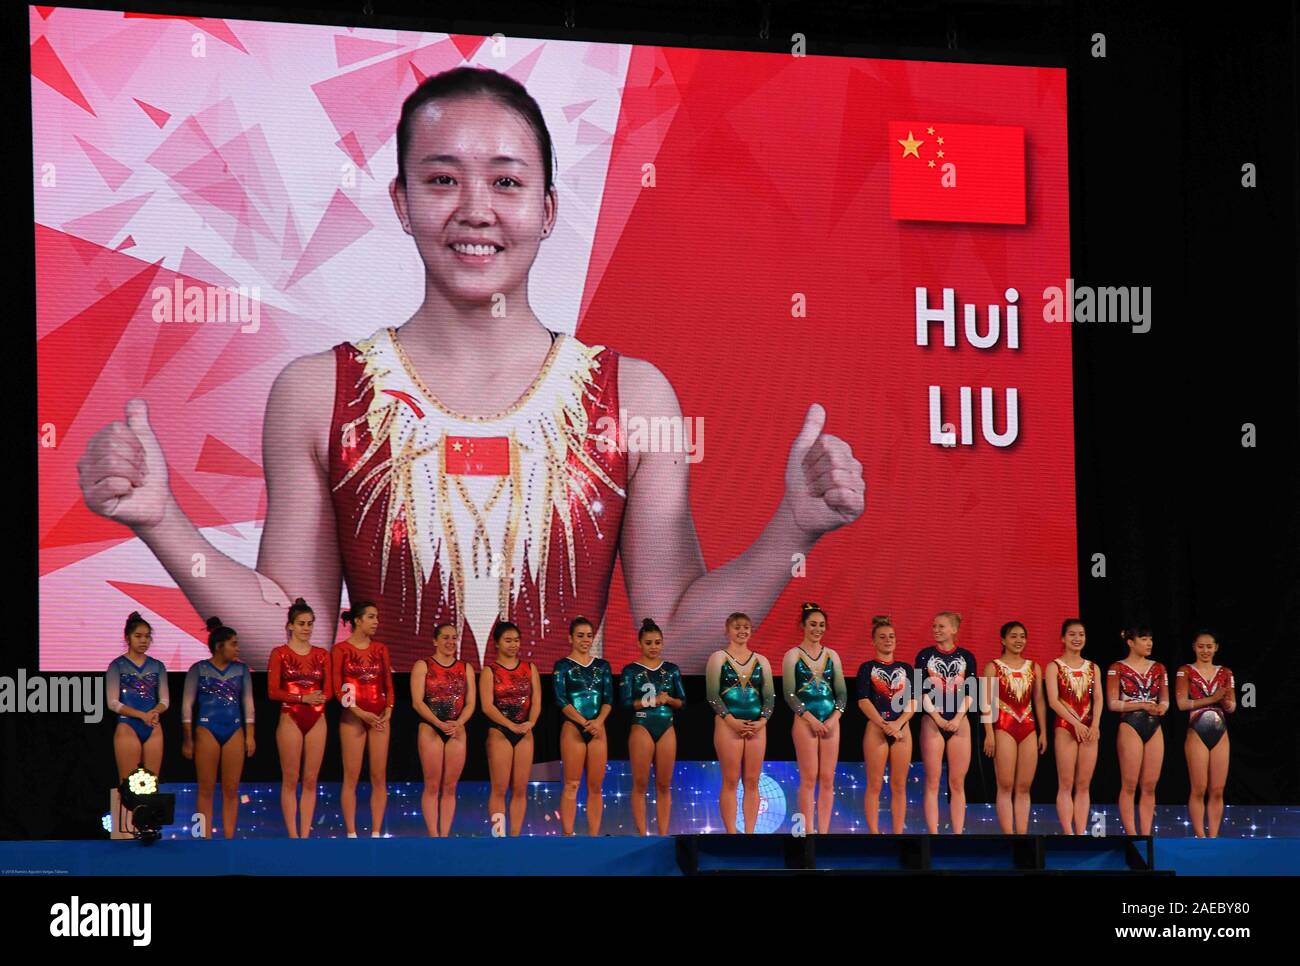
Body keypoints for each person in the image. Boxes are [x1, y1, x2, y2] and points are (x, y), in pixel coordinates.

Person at [76, 66, 866, 671]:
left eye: (507, 181)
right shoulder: (319, 392)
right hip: (382, 809)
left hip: (570, 812)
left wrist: (792, 530)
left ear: (548, 210)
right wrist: (161, 521)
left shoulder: (632, 395)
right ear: (402, 201)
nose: (476, 209)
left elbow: (682, 642)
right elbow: (298, 651)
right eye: (443, 179)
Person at [182, 617, 255, 838]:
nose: (237, 648)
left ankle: (229, 839)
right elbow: (187, 705)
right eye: (233, 644)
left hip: (234, 729)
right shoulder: (198, 669)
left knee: (231, 789)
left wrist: (250, 736)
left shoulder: (241, 671)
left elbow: (248, 704)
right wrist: (188, 739)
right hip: (206, 729)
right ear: (218, 646)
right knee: (206, 788)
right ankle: (204, 838)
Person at [267, 597, 332, 838]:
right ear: (290, 626)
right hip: (290, 716)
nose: (306, 628)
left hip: (317, 717)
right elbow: (273, 691)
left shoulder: (322, 654)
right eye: (302, 623)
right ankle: (293, 835)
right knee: (291, 777)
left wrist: (320, 698)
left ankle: (305, 834)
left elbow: (330, 689)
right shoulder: (280, 654)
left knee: (311, 778)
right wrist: (303, 699)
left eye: (310, 624)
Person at [705, 613, 776, 834]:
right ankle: (731, 834)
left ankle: (750, 832)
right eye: (737, 627)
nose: (742, 631)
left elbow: (769, 697)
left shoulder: (761, 660)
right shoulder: (718, 658)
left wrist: (762, 721)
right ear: (727, 630)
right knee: (731, 779)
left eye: (746, 627)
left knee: (753, 780)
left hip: (757, 727)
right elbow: (712, 695)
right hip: (728, 725)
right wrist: (730, 721)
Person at [782, 602, 847, 834]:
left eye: (821, 625)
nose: (817, 629)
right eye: (812, 624)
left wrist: (833, 719)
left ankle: (825, 831)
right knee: (809, 778)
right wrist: (809, 718)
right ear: (803, 625)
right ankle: (808, 831)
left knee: (828, 778)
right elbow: (789, 693)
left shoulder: (832, 656)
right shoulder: (792, 655)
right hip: (804, 721)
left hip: (831, 721)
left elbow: (841, 692)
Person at [332, 602, 394, 837]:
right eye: (371, 617)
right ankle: (351, 832)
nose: (376, 621)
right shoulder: (341, 650)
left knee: (379, 776)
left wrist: (388, 710)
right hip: (353, 717)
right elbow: (338, 689)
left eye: (376, 617)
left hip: (379, 716)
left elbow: (388, 683)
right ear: (358, 620)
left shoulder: (380, 649)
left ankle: (377, 832)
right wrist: (359, 712)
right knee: (351, 775)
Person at [620, 617, 687, 835]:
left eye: (657, 642)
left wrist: (668, 700)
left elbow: (682, 701)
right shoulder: (631, 670)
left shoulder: (671, 669)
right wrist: (653, 701)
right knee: (640, 784)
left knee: (664, 784)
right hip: (642, 724)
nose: (653, 647)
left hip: (666, 725)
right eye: (649, 643)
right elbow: (625, 702)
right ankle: (642, 834)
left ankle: (663, 833)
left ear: (663, 643)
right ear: (640, 643)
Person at [913, 610, 977, 834]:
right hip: (933, 720)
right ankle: (933, 833)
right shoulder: (924, 656)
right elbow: (920, 691)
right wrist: (938, 718)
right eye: (934, 626)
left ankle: (958, 834)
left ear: (954, 629)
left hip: (960, 722)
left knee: (957, 783)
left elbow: (970, 690)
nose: (936, 630)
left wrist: (958, 717)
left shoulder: (967, 657)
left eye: (941, 626)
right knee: (933, 781)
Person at [411, 622, 476, 836]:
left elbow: (470, 703)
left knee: (450, 787)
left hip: (456, 727)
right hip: (431, 726)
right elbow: (418, 702)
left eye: (453, 638)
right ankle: (433, 835)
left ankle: (445, 836)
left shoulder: (465, 667)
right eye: (445, 637)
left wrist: (459, 723)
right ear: (435, 641)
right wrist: (438, 723)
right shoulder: (423, 665)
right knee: (432, 785)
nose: (450, 642)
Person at [982, 621, 1045, 834]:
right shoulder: (993, 667)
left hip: (1028, 726)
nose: (1019, 641)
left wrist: (1043, 731)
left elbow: (1039, 701)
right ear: (1003, 640)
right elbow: (986, 702)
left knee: (1024, 786)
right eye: (1013, 636)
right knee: (1006, 784)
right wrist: (989, 733)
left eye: (1022, 636)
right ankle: (1009, 835)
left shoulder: (1034, 667)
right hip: (1003, 727)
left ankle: (1023, 834)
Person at [479, 621, 541, 835]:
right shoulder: (490, 671)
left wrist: (529, 723)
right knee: (499, 788)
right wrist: (510, 725)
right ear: (497, 643)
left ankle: (514, 836)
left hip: (524, 732)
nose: (513, 644)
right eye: (508, 640)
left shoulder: (529, 668)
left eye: (516, 640)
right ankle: (498, 837)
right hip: (500, 731)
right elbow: (487, 706)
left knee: (520, 789)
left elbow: (536, 702)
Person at [1106, 625, 1169, 835]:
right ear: (1130, 642)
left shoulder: (1159, 667)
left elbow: (1166, 701)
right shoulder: (1117, 668)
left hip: (1154, 725)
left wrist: (1161, 707)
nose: (1149, 643)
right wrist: (1141, 705)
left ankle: (1146, 833)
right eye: (1144, 639)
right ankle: (1131, 834)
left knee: (1150, 785)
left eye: (1151, 639)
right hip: (1130, 725)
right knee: (1130, 783)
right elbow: (1113, 704)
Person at [554, 617, 614, 835]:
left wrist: (598, 722)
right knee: (571, 784)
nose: (585, 640)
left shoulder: (602, 666)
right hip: (573, 727)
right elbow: (561, 699)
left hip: (598, 728)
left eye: (589, 636)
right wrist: (583, 722)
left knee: (596, 787)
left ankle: (594, 835)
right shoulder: (563, 666)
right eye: (580, 636)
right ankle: (568, 836)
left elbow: (608, 699)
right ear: (570, 638)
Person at [856, 616, 915, 833]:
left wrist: (898, 724)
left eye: (891, 637)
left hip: (902, 729)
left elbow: (913, 702)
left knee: (899, 786)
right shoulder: (866, 668)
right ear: (874, 642)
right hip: (876, 728)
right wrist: (884, 724)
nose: (887, 640)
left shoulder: (907, 669)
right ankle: (874, 833)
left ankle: (898, 833)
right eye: (882, 637)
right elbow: (863, 700)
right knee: (875, 785)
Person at [1175, 630, 1235, 838]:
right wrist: (1213, 698)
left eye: (1209, 647)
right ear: (1194, 647)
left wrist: (1225, 700)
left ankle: (1214, 836)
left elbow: (1232, 706)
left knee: (1217, 788)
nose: (1205, 651)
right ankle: (1200, 836)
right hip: (1197, 730)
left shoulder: (1225, 672)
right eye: (1201, 646)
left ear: (1216, 648)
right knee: (1199, 787)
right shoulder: (1185, 671)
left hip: (1220, 731)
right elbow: (1182, 704)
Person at [1044, 619, 1101, 834]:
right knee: (1066, 783)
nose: (1077, 639)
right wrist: (1075, 723)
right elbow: (1053, 700)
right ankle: (1068, 832)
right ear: (1063, 638)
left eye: (1081, 634)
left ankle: (1081, 831)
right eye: (1072, 635)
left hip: (1089, 729)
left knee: (1084, 784)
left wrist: (1094, 724)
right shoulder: (1054, 666)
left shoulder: (1093, 667)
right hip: (1065, 727)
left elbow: (1098, 698)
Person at [106, 611, 169, 782]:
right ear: (128, 638)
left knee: (151, 783)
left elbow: (164, 700)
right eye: (138, 636)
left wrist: (155, 712)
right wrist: (142, 715)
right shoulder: (117, 665)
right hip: (128, 726)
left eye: (147, 637)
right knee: (128, 785)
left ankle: (148, 810)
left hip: (153, 726)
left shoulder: (157, 666)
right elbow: (113, 702)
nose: (143, 641)